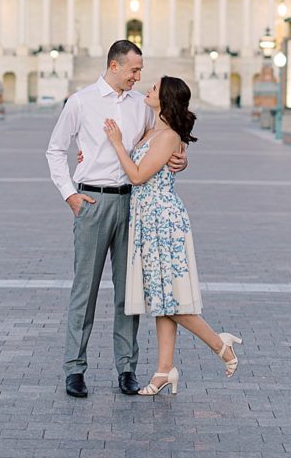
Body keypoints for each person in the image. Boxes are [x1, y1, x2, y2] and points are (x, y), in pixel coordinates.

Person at [45, 39, 186, 399]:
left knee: (129, 293)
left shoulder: (141, 105)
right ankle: (74, 369)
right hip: (92, 200)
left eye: (141, 71)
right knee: (85, 291)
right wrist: (70, 194)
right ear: (114, 66)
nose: (139, 77)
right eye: (134, 70)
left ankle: (127, 367)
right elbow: (56, 149)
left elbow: (161, 144)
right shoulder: (81, 102)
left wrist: (181, 160)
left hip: (131, 205)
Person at [102, 75, 240, 396]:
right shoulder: (153, 129)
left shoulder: (167, 135)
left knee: (172, 299)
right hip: (148, 218)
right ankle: (164, 370)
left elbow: (137, 176)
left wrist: (117, 143)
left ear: (165, 97)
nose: (148, 89)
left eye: (154, 88)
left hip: (162, 219)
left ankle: (221, 345)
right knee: (162, 300)